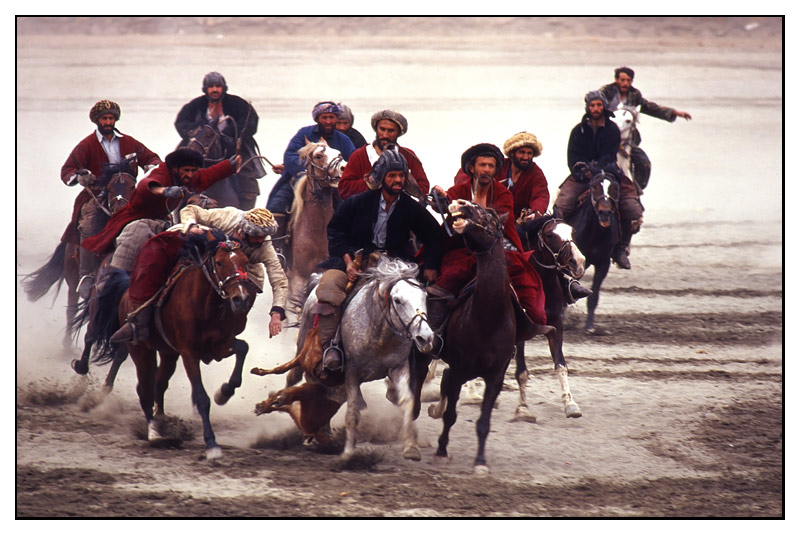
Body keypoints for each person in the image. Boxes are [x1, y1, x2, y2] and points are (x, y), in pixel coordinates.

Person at [313, 147, 442, 372]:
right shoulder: (358, 202)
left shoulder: (410, 208)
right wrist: (348, 262)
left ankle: (416, 350)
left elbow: (434, 236)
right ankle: (331, 346)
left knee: (419, 295)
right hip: (355, 260)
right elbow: (336, 231)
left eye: (401, 175)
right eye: (392, 176)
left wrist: (431, 264)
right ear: (381, 177)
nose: (398, 180)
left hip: (396, 265)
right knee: (329, 289)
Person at [429, 143, 552, 341]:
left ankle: (517, 333)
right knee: (443, 283)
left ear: (495, 170)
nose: (486, 170)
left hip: (500, 251)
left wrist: (471, 216)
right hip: (464, 251)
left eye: (491, 166)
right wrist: (440, 199)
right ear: (472, 168)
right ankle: (434, 335)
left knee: (531, 300)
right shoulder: (459, 190)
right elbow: (445, 204)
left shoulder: (503, 194)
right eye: (482, 165)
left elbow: (497, 220)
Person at [109, 207, 287, 344]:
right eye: (257, 236)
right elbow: (191, 209)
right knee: (160, 261)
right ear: (244, 230)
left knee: (245, 291)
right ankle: (138, 317)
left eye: (264, 236)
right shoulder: (228, 217)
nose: (261, 240)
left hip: (238, 269)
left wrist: (277, 312)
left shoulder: (265, 247)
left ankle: (228, 332)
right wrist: (191, 226)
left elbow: (279, 279)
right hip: (201, 248)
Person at [81, 148, 242, 274]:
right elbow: (145, 186)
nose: (190, 174)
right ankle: (115, 278)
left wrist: (230, 165)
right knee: (135, 236)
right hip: (137, 219)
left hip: (163, 221)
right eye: (186, 170)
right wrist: (164, 190)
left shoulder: (186, 176)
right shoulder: (162, 173)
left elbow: (207, 175)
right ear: (175, 168)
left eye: (193, 170)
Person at [60, 100, 161, 298]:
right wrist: (79, 176)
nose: (108, 122)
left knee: (155, 219)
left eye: (111, 118)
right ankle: (86, 275)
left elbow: (152, 158)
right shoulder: (86, 145)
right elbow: (67, 170)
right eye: (104, 118)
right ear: (96, 120)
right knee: (88, 225)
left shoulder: (129, 142)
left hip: (128, 193)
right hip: (98, 196)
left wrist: (152, 169)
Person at [554, 91, 643, 269]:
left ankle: (620, 249)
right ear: (588, 108)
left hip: (608, 173)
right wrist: (580, 171)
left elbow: (609, 155)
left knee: (632, 209)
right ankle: (560, 248)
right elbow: (572, 156)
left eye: (599, 105)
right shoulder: (578, 131)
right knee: (561, 206)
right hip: (582, 175)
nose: (595, 108)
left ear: (604, 107)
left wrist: (598, 170)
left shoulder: (612, 130)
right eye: (592, 105)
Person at [266, 101, 356, 256]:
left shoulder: (343, 140)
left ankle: (349, 249)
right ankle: (277, 250)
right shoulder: (304, 133)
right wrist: (307, 171)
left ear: (336, 118)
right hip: (298, 180)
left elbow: (352, 161)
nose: (328, 121)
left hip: (332, 184)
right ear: (317, 119)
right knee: (276, 206)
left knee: (350, 211)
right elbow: (290, 156)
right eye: (324, 117)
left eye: (332, 117)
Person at [175, 72, 267, 210]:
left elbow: (251, 121)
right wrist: (198, 129)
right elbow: (181, 122)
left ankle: (247, 202)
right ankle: (177, 195)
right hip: (202, 148)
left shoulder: (237, 103)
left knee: (246, 175)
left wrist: (231, 132)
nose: (215, 89)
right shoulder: (196, 105)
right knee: (180, 165)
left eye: (218, 86)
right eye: (211, 86)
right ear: (205, 89)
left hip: (232, 147)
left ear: (223, 88)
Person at [600, 66, 692, 189]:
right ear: (616, 79)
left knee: (643, 163)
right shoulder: (606, 92)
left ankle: (635, 190)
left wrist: (674, 112)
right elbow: (593, 106)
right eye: (622, 80)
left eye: (628, 80)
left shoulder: (634, 95)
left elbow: (649, 107)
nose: (625, 83)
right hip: (605, 137)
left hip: (627, 139)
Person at [337, 109, 429, 200]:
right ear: (376, 129)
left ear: (399, 133)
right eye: (382, 129)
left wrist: (402, 183)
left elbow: (424, 188)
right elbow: (344, 189)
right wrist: (371, 181)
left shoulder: (408, 156)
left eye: (391, 131)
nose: (385, 135)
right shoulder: (359, 155)